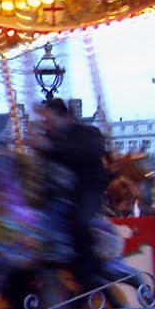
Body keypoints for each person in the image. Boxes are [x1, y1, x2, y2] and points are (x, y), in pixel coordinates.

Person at [34, 98, 109, 298]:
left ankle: (89, 274)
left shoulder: (83, 133)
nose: (44, 123)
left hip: (87, 190)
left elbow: (85, 153)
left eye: (47, 119)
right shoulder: (50, 140)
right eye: (43, 120)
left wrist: (49, 148)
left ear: (61, 116)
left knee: (79, 223)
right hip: (61, 195)